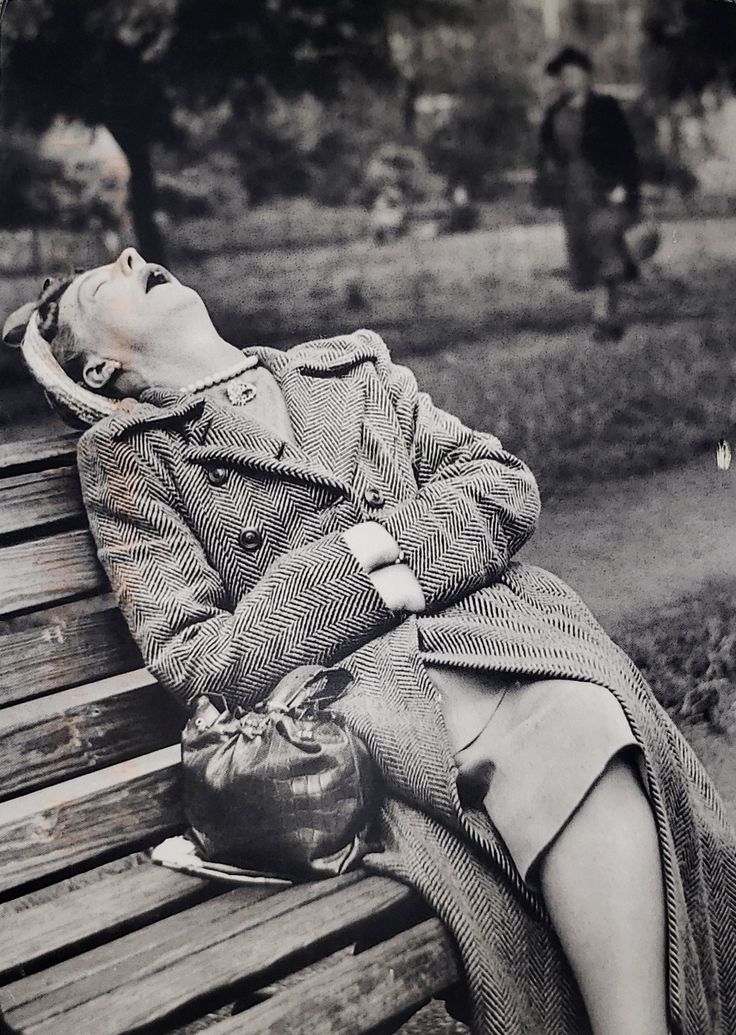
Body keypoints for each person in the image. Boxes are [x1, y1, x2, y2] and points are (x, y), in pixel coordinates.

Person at [4, 248, 736, 1035]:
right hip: (359, 703)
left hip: (502, 634)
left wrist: (361, 562)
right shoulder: (132, 458)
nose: (130, 254)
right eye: (98, 286)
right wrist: (371, 567)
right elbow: (198, 659)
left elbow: (500, 485)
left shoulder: (352, 367)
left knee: (582, 718)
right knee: (574, 723)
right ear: (102, 372)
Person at [537, 46, 641, 342]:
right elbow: (546, 153)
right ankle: (607, 313)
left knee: (605, 245)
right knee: (583, 253)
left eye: (574, 74)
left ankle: (604, 315)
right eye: (564, 76)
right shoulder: (555, 113)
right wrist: (547, 184)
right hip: (572, 191)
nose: (569, 80)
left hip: (603, 186)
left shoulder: (605, 108)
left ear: (587, 75)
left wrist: (625, 185)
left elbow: (626, 150)